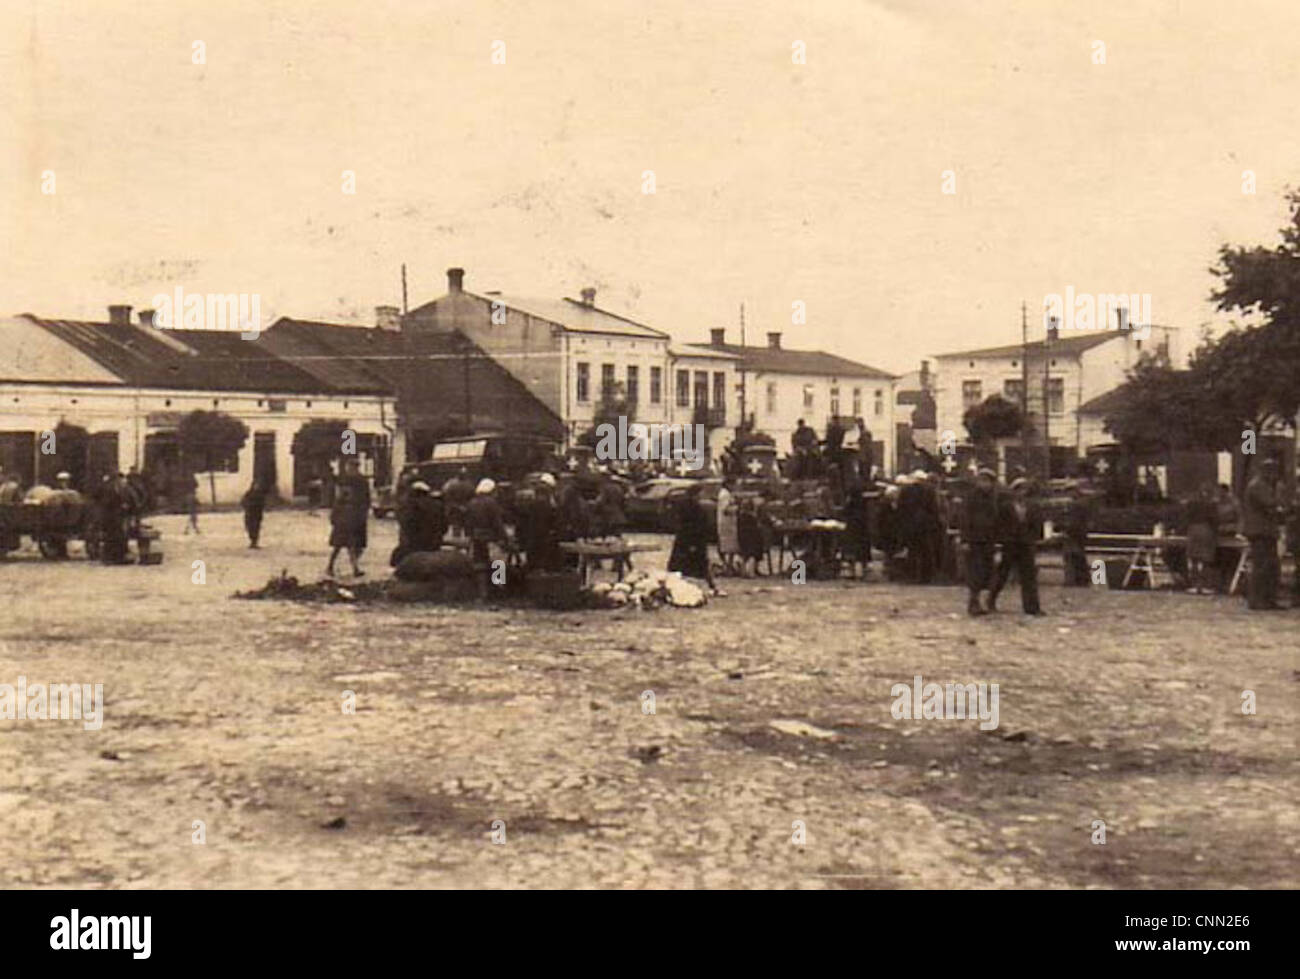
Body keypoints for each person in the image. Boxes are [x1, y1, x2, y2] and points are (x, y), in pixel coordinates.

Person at [989, 477, 1043, 615]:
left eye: (1024, 489)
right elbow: (998, 524)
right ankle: (991, 600)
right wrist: (1002, 539)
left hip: (1025, 544)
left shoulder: (1031, 507)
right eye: (1019, 489)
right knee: (1003, 574)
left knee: (1029, 577)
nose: (1022, 493)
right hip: (1010, 544)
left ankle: (1032, 607)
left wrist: (1034, 538)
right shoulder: (1005, 507)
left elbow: (1036, 524)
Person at [1241, 458, 1284, 610]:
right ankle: (1257, 599)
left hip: (1266, 531)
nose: (1275, 475)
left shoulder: (1263, 485)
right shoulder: (1258, 485)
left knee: (1271, 566)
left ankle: (1268, 599)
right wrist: (1279, 492)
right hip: (1260, 531)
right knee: (1261, 566)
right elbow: (1271, 503)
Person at [667, 482, 722, 595]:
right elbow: (694, 524)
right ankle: (711, 587)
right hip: (693, 540)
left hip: (686, 539)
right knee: (700, 565)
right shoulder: (692, 506)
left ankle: (673, 587)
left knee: (680, 566)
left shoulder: (684, 504)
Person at [961, 468, 1000, 615]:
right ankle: (973, 602)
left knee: (986, 572)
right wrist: (965, 539)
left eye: (988, 481)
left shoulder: (993, 498)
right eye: (983, 481)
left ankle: (982, 602)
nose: (985, 484)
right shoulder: (971, 498)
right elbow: (965, 519)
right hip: (974, 540)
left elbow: (995, 519)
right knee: (975, 572)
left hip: (988, 540)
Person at [326, 459, 369, 578]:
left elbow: (366, 499)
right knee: (341, 544)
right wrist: (335, 514)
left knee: (354, 544)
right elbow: (338, 499)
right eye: (348, 467)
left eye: (351, 467)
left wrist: (363, 513)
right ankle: (351, 568)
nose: (349, 469)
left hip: (354, 516)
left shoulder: (360, 481)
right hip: (344, 517)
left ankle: (351, 567)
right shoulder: (345, 481)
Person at [465, 478, 507, 598]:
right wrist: (503, 538)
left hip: (477, 538)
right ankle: (499, 590)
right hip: (491, 538)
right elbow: (497, 523)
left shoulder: (471, 503)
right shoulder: (491, 503)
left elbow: (467, 523)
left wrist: (471, 536)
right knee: (498, 563)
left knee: (480, 566)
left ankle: (482, 593)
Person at [1184, 483, 1218, 595]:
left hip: (1192, 530)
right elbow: (1214, 519)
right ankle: (1205, 585)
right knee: (1206, 559)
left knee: (1194, 558)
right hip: (1206, 529)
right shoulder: (1211, 504)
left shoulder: (1191, 503)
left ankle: (1194, 585)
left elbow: (1186, 517)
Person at [1060, 485, 1092, 587]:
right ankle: (1082, 579)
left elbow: (1074, 522)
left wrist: (1066, 528)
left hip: (1074, 534)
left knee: (1072, 556)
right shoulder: (1083, 503)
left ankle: (1073, 579)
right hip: (1079, 534)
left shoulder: (1075, 505)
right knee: (1078, 556)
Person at [1213, 483, 1241, 593]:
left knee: (1230, 557)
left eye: (1221, 491)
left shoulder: (1234, 503)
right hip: (1218, 533)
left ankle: (1230, 582)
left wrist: (1237, 530)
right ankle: (1218, 582)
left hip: (1230, 532)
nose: (1219, 494)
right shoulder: (1215, 503)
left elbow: (1239, 518)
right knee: (1218, 558)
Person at [442, 466, 474, 537]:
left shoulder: (450, 484)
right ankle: (467, 544)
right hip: (466, 509)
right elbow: (472, 497)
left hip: (455, 509)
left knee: (456, 527)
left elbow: (446, 496)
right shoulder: (469, 484)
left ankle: (457, 545)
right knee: (467, 528)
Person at [715, 478, 739, 574]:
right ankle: (726, 565)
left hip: (730, 523)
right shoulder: (724, 495)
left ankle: (730, 564)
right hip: (726, 523)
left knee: (732, 546)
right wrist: (737, 508)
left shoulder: (729, 494)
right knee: (726, 546)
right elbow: (726, 510)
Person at [241, 480, 269, 548]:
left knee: (256, 528)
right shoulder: (249, 494)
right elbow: (243, 502)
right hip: (250, 514)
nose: (257, 487)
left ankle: (254, 542)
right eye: (256, 485)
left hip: (257, 515)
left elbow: (263, 504)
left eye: (258, 486)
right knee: (250, 528)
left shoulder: (260, 495)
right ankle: (252, 541)